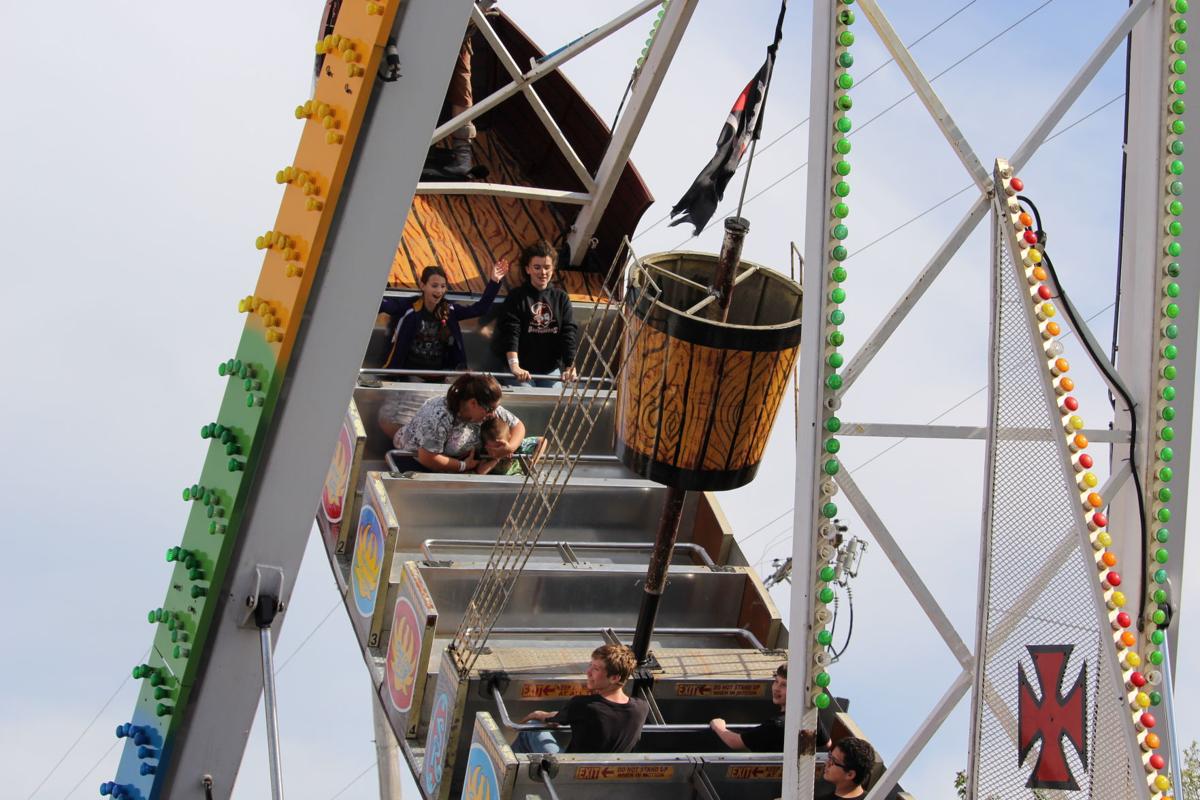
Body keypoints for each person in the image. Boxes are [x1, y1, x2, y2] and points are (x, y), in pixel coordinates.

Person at [377, 260, 509, 377]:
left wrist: (494, 281)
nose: (439, 291)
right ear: (422, 286)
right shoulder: (410, 308)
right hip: (409, 375)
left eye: (443, 286)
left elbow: (480, 309)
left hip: (438, 376)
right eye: (434, 286)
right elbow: (383, 305)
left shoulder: (450, 310)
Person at [515, 644, 648, 754]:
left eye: (595, 669)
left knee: (531, 728)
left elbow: (554, 718)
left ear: (614, 678)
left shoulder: (584, 705)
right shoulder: (641, 708)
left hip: (568, 775)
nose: (588, 672)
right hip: (608, 780)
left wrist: (539, 714)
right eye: (590, 665)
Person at [394, 373, 526, 473]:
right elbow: (427, 457)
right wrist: (463, 466)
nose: (493, 414)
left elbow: (518, 426)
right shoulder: (439, 415)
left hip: (461, 464)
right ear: (473, 403)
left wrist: (510, 447)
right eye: (490, 409)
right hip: (414, 463)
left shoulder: (489, 411)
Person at [491, 240, 579, 388]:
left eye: (547, 267)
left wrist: (570, 366)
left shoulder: (561, 298)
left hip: (550, 370)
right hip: (520, 368)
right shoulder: (516, 297)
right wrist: (515, 366)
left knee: (556, 398)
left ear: (553, 269)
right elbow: (511, 332)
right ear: (527, 269)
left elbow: (568, 333)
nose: (542, 273)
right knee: (525, 393)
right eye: (537, 267)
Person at [710, 663, 787, 752]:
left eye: (784, 685)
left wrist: (719, 727)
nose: (776, 688)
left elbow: (735, 742)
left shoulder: (777, 724)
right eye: (776, 681)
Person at [475, 416, 546, 475]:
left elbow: (542, 441)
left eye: (500, 446)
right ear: (486, 446)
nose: (498, 450)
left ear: (509, 439)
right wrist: (497, 459)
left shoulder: (518, 447)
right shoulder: (486, 454)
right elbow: (481, 472)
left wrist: (532, 462)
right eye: (492, 447)